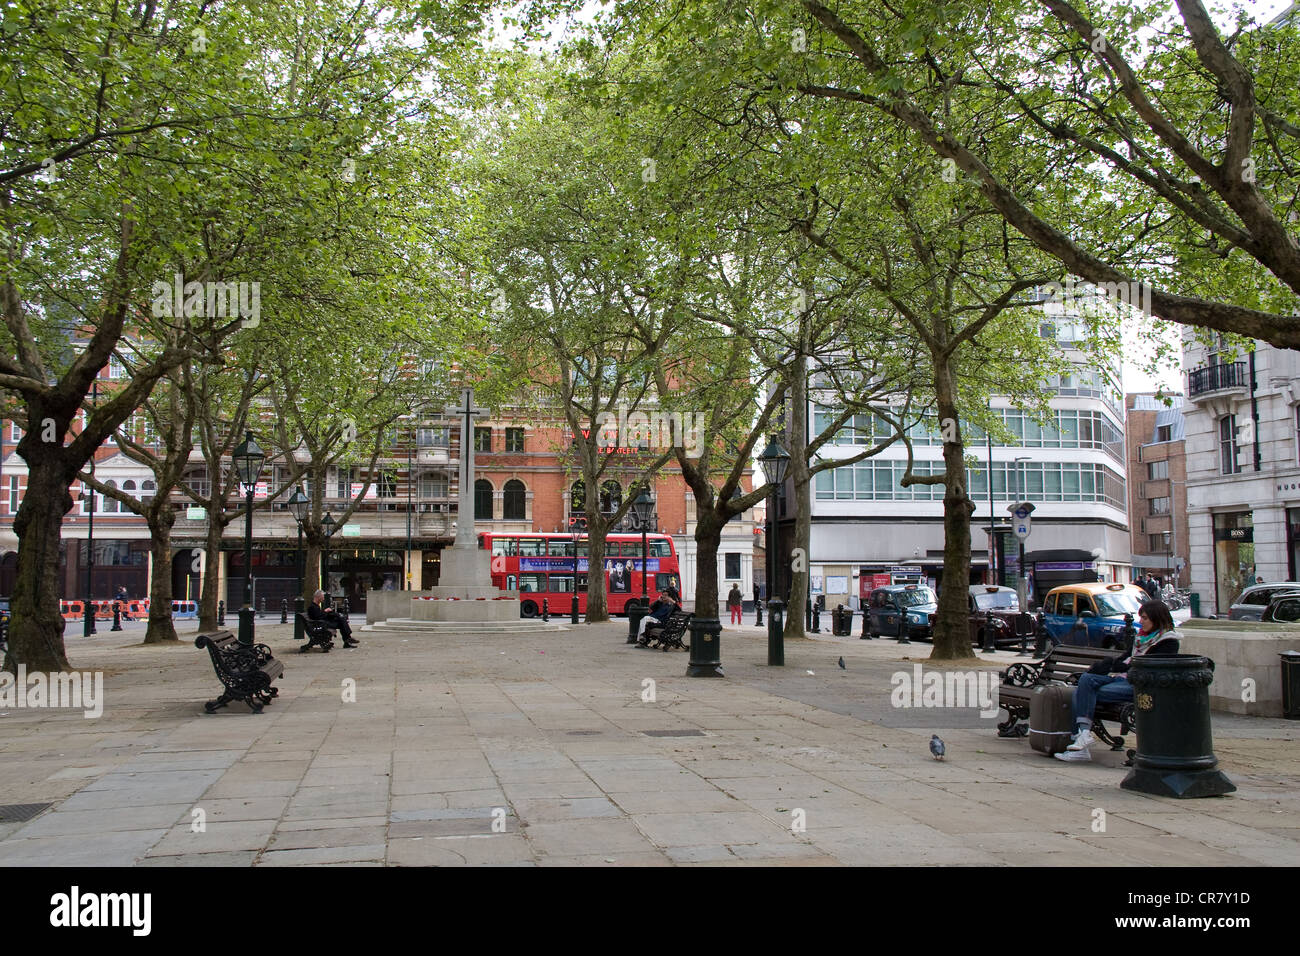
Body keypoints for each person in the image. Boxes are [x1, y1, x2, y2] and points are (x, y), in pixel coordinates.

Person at [1055, 599, 1179, 763]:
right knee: (1086, 680)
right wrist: (1112, 666)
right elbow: (1124, 660)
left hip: (1139, 687)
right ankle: (1083, 735)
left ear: (1157, 619)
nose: (1140, 622)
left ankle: (1081, 741)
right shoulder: (1141, 639)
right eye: (1140, 617)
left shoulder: (1168, 641)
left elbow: (1142, 666)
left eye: (1145, 618)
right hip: (1121, 681)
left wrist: (1122, 666)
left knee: (1081, 692)